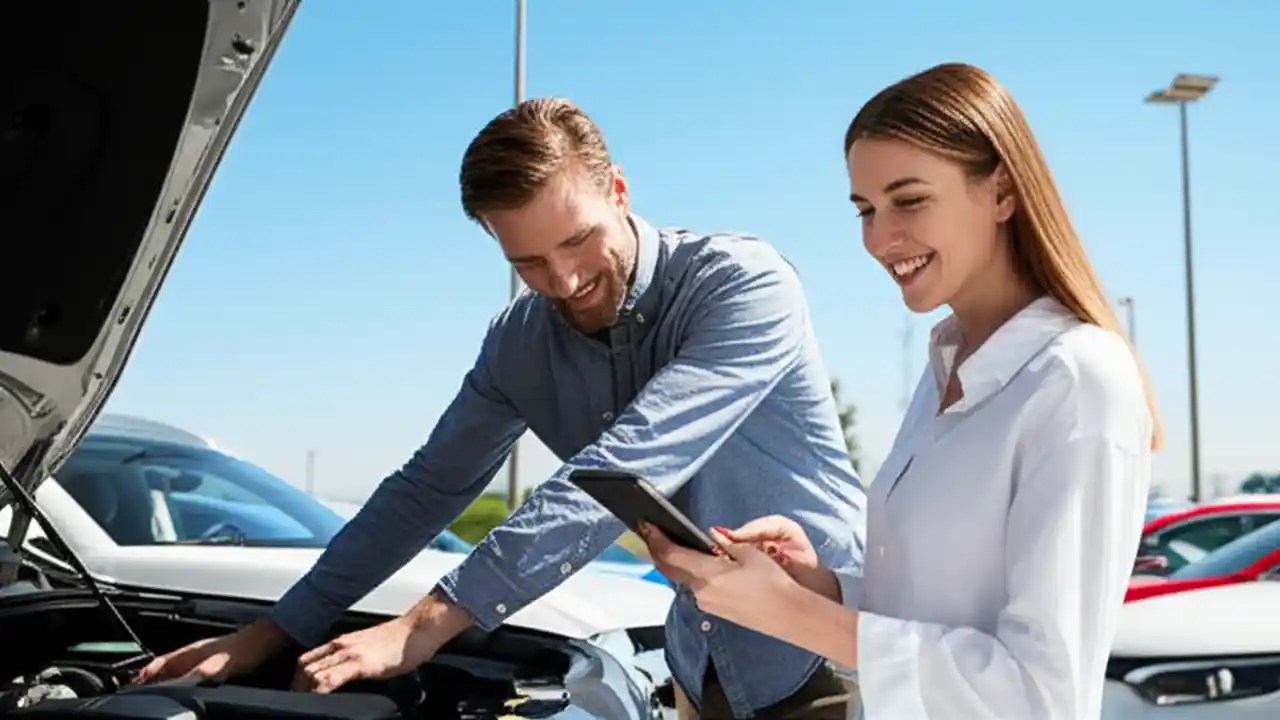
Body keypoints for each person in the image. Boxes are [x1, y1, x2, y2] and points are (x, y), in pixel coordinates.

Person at [134, 97, 867, 720]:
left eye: (578, 240)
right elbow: (424, 491)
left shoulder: (741, 287)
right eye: (528, 263)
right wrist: (271, 632)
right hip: (700, 663)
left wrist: (428, 624)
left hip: (833, 652)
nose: (565, 279)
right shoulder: (519, 344)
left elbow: (623, 465)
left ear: (617, 188)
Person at [640, 62, 1161, 719]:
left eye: (908, 200)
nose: (879, 238)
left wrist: (791, 613)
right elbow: (933, 614)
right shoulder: (945, 366)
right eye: (865, 209)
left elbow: (1040, 692)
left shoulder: (1077, 379)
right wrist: (822, 585)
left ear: (1001, 192)